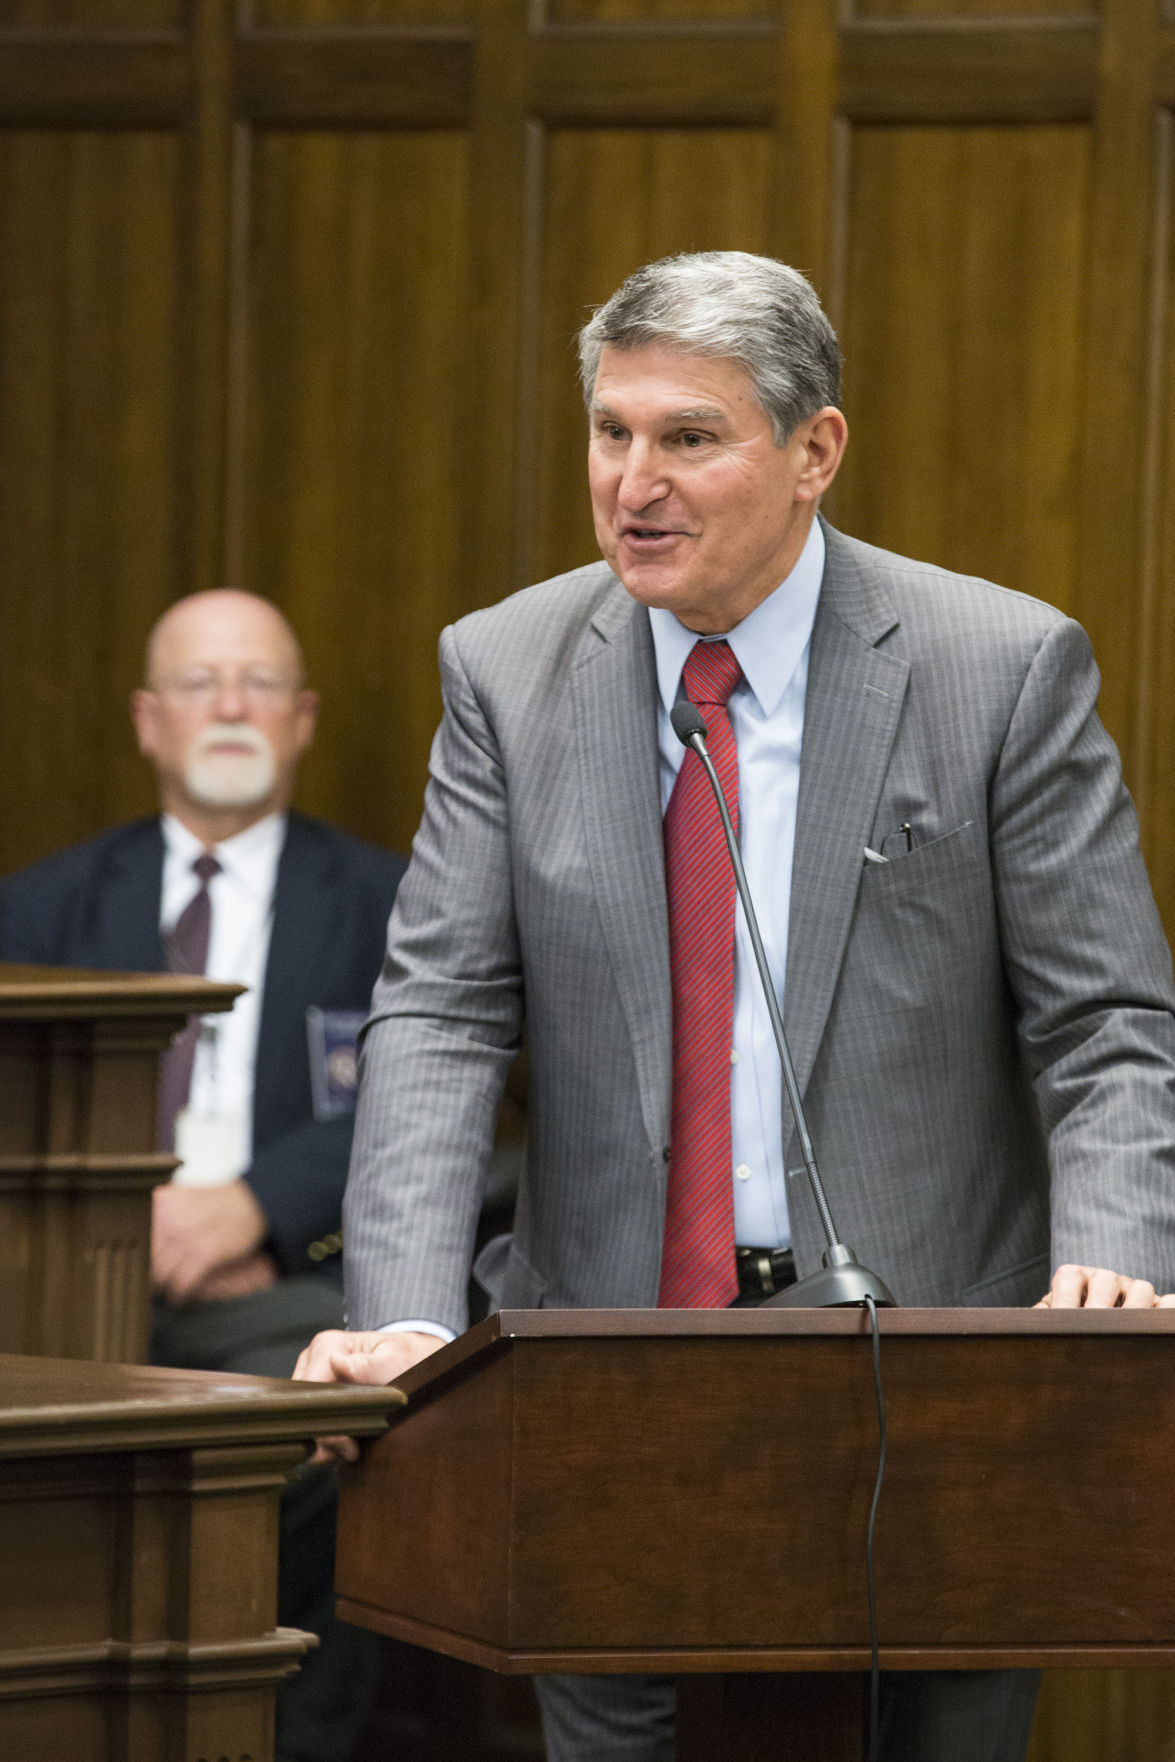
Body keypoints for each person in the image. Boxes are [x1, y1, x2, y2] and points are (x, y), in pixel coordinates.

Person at [295, 252, 1175, 1762]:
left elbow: (1103, 1021)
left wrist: (1108, 1251)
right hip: (599, 1374)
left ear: (811, 452)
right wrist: (403, 1312)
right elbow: (438, 1012)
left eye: (687, 437)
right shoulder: (505, 671)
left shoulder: (993, 667)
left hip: (928, 1380)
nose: (633, 481)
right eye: (608, 431)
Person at [0, 589, 407, 1762]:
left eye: (259, 682)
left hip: (277, 1287)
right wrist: (129, 1221)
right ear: (146, 719)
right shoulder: (43, 906)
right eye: (198, 682)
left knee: (355, 1416)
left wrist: (259, 1209)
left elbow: (420, 1095)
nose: (229, 706)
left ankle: (299, 1742)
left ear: (303, 718)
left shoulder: (387, 900)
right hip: (70, 1294)